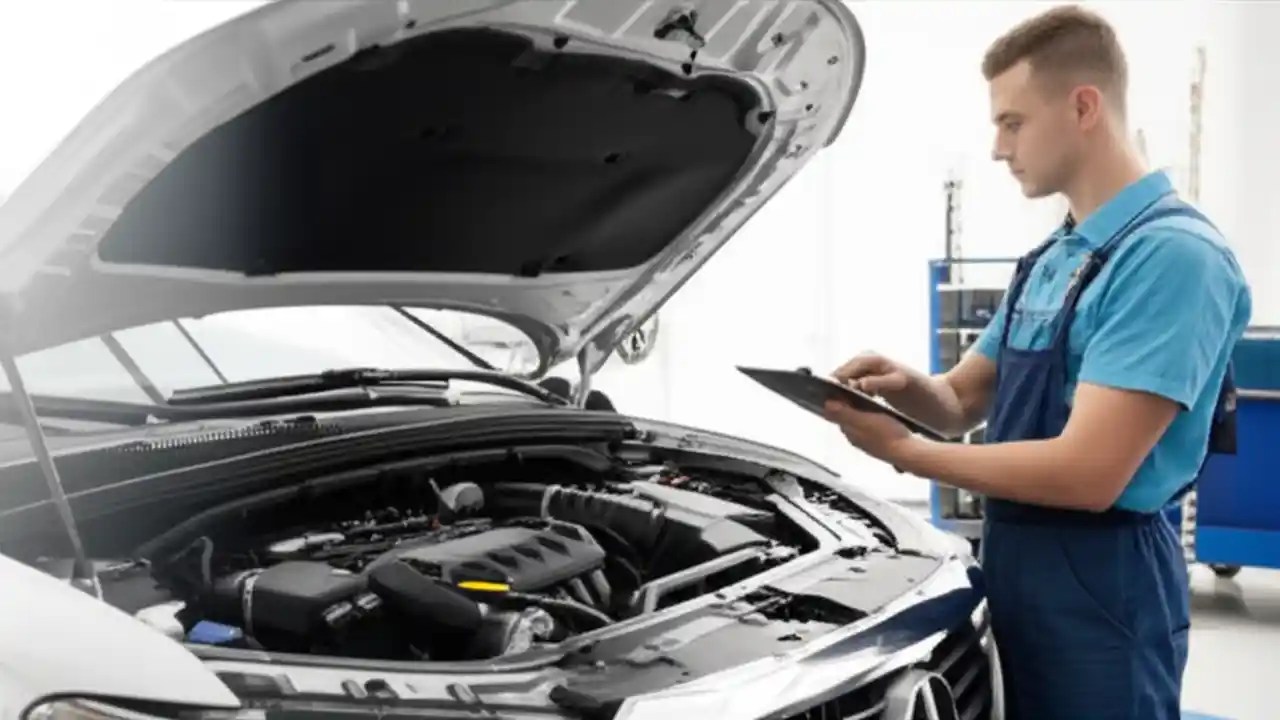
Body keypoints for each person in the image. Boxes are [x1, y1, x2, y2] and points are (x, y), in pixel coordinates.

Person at [819, 6, 1252, 720]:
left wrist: (907, 454)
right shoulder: (1058, 256)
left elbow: (1089, 473)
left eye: (1012, 122)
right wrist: (902, 391)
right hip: (1019, 567)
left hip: (1105, 587)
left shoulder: (1171, 258)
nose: (997, 147)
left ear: (1084, 107)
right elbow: (961, 401)